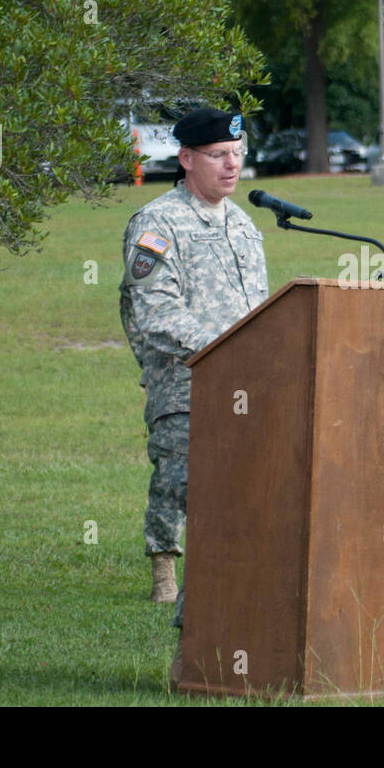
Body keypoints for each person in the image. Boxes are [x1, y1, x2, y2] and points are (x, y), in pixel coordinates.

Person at [118, 107, 268, 685]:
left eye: (237, 152)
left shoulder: (245, 225)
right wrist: (227, 346)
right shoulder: (158, 225)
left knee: (241, 513)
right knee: (201, 506)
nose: (232, 164)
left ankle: (232, 641)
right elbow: (153, 315)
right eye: (217, 155)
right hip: (187, 391)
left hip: (249, 392)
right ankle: (194, 645)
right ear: (185, 159)